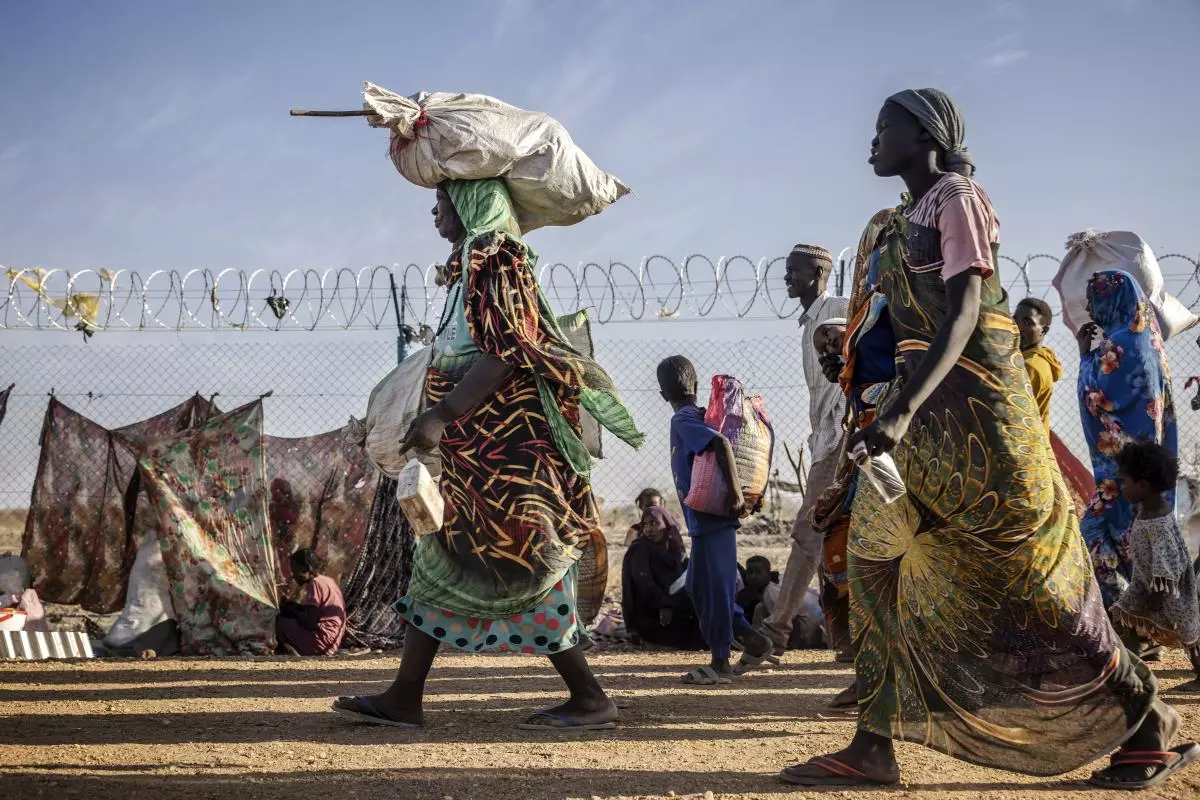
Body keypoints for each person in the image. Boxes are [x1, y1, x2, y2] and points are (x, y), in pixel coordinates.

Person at [781, 88, 1195, 791]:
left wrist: (903, 408)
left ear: (927, 135)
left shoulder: (956, 199)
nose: (872, 141)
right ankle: (873, 743)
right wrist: (864, 378)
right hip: (922, 428)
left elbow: (968, 308)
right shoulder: (891, 225)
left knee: (1033, 584)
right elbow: (893, 326)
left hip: (982, 426)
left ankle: (1148, 725)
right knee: (880, 566)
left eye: (887, 129)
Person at [333, 179, 643, 732]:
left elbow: (507, 353)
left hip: (510, 456)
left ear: (473, 203)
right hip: (476, 455)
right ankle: (405, 696)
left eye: (443, 200)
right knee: (442, 559)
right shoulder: (469, 266)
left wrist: (441, 414)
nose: (434, 211)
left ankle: (590, 697)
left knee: (526, 563)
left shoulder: (497, 258)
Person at [755, 246, 850, 659]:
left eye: (793, 270)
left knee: (809, 531)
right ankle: (846, 643)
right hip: (827, 436)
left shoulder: (839, 310)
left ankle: (775, 632)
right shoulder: (809, 320)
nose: (786, 278)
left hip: (843, 432)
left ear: (818, 272)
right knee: (834, 536)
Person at [658, 355, 774, 685]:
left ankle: (720, 662)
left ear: (662, 393)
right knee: (699, 587)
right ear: (694, 386)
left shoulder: (683, 419)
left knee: (717, 591)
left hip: (711, 521)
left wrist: (737, 494)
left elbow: (721, 443)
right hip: (706, 523)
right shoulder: (696, 415)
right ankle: (754, 641)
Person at [1078, 270, 1179, 609]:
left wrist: (1084, 356)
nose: (1090, 309)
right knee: (1136, 547)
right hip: (1144, 474)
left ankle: (1134, 619)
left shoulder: (1120, 343)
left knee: (1094, 536)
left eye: (1094, 299)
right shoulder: (1149, 339)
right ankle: (1139, 622)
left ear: (1112, 298)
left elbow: (1096, 396)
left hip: (1124, 475)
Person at [1109, 441, 1200, 691]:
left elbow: (1167, 562)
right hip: (1145, 582)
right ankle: (1127, 670)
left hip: (1170, 591)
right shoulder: (1148, 509)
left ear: (1143, 485)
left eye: (1125, 482)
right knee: (1121, 613)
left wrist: (1158, 596)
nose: (1122, 487)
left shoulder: (1156, 521)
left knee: (1190, 634)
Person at [1014, 297, 1095, 516]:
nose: (1018, 327)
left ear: (1044, 329)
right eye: (1015, 319)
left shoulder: (1030, 366)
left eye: (1028, 322)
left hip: (1022, 457)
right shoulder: (1034, 360)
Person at [621, 505, 705, 650]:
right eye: (645, 525)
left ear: (666, 525)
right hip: (652, 613)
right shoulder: (640, 548)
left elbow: (685, 577)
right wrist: (664, 605)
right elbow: (644, 583)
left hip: (675, 608)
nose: (648, 529)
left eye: (654, 523)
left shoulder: (674, 548)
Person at [276, 549, 347, 657]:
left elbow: (309, 620)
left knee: (281, 621)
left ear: (307, 569)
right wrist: (294, 607)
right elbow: (317, 612)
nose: (294, 576)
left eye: (296, 571)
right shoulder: (328, 581)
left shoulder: (315, 583)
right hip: (332, 641)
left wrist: (291, 610)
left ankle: (293, 655)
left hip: (322, 641)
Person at [623, 488, 685, 555]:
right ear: (641, 506)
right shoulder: (635, 530)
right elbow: (630, 555)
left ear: (661, 505)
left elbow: (679, 555)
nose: (651, 509)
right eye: (647, 506)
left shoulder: (669, 528)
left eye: (654, 505)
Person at [736, 555, 780, 626]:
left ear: (768, 575)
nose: (753, 576)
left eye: (758, 572)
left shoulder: (771, 594)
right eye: (749, 572)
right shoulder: (750, 593)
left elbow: (780, 621)